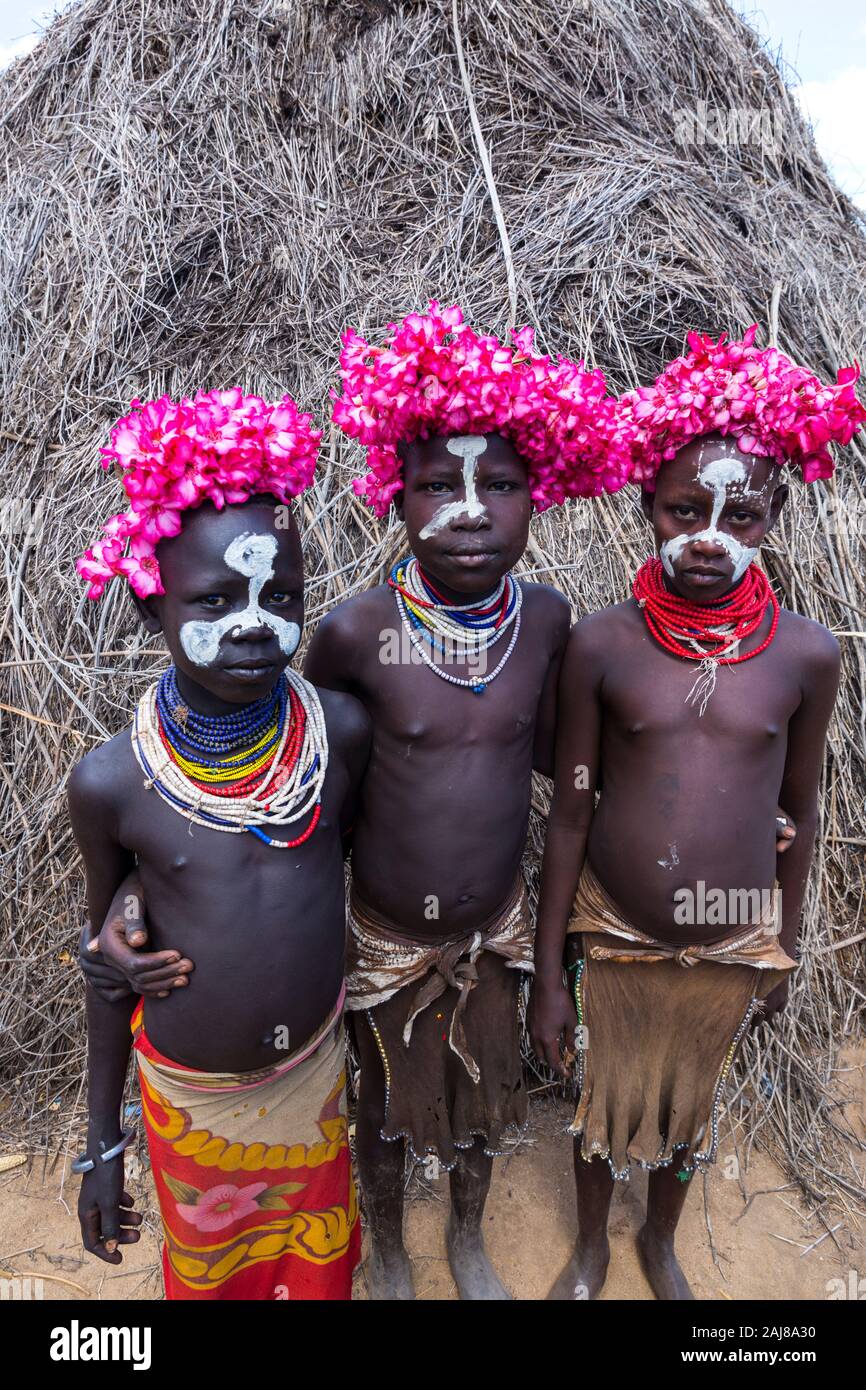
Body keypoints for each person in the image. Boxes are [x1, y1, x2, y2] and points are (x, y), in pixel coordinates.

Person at [529, 326, 864, 1301]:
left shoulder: (803, 655)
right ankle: (590, 1245)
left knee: (689, 1101)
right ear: (645, 505)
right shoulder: (601, 644)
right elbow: (567, 815)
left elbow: (797, 813)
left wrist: (782, 947)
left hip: (728, 943)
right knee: (603, 1100)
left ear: (773, 515)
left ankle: (657, 1242)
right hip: (616, 932)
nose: (706, 537)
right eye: (682, 510)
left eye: (739, 515)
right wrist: (549, 969)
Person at [70, 389, 370, 1300]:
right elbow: (106, 969)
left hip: (313, 1073)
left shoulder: (342, 734)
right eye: (215, 598)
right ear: (148, 606)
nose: (253, 624)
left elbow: (351, 861)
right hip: (192, 1097)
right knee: (213, 1276)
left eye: (280, 597)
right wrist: (100, 1148)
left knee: (317, 1269)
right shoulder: (114, 782)